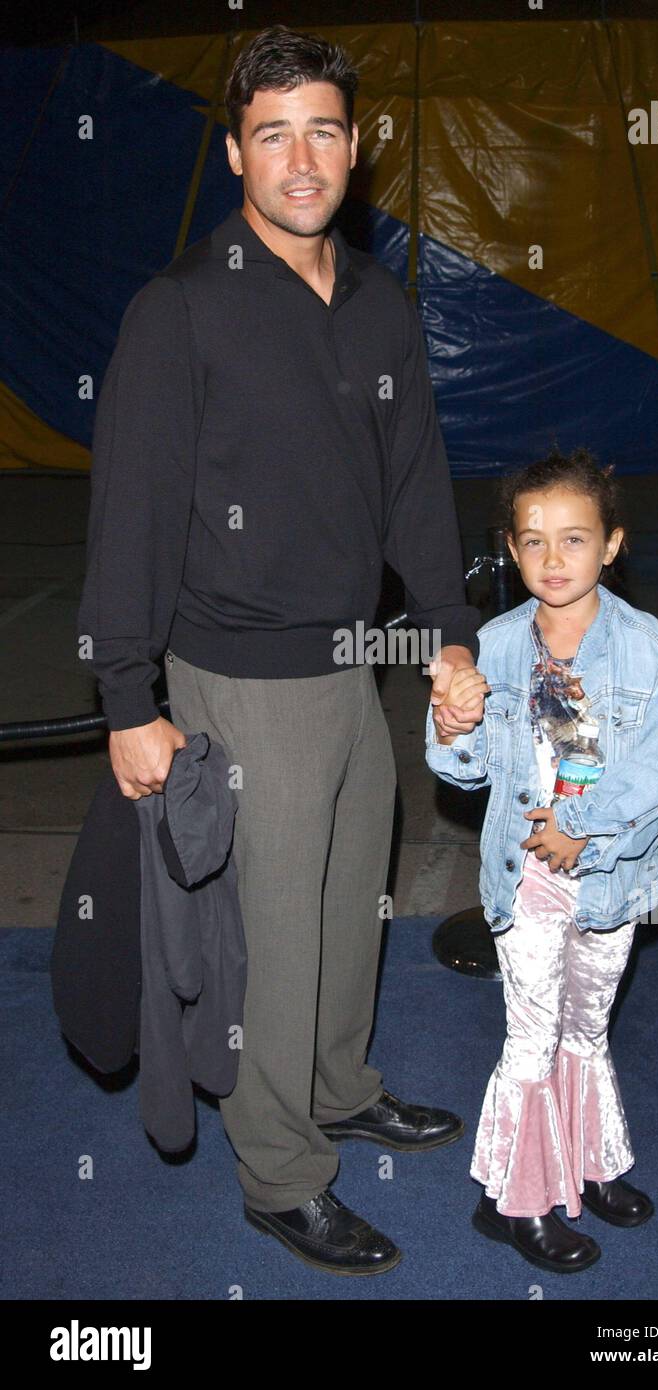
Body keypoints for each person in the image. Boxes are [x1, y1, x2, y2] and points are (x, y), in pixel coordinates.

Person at [77, 24, 486, 1278]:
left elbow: (416, 483)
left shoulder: (375, 303)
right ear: (236, 153)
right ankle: (280, 1171)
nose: (299, 156)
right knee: (270, 935)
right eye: (272, 133)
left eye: (321, 129)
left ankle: (339, 1084)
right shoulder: (184, 308)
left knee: (347, 903)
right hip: (238, 680)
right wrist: (127, 694)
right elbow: (131, 508)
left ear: (354, 151)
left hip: (352, 667)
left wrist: (449, 639)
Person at [426, 446, 658, 1274]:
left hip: (610, 876)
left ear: (611, 544)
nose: (552, 559)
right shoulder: (494, 647)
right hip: (526, 877)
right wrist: (450, 726)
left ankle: (585, 1162)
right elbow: (460, 775)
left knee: (586, 1028)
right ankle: (519, 1201)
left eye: (573, 539)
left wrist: (584, 825)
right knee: (533, 1037)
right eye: (533, 540)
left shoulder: (651, 650)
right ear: (509, 550)